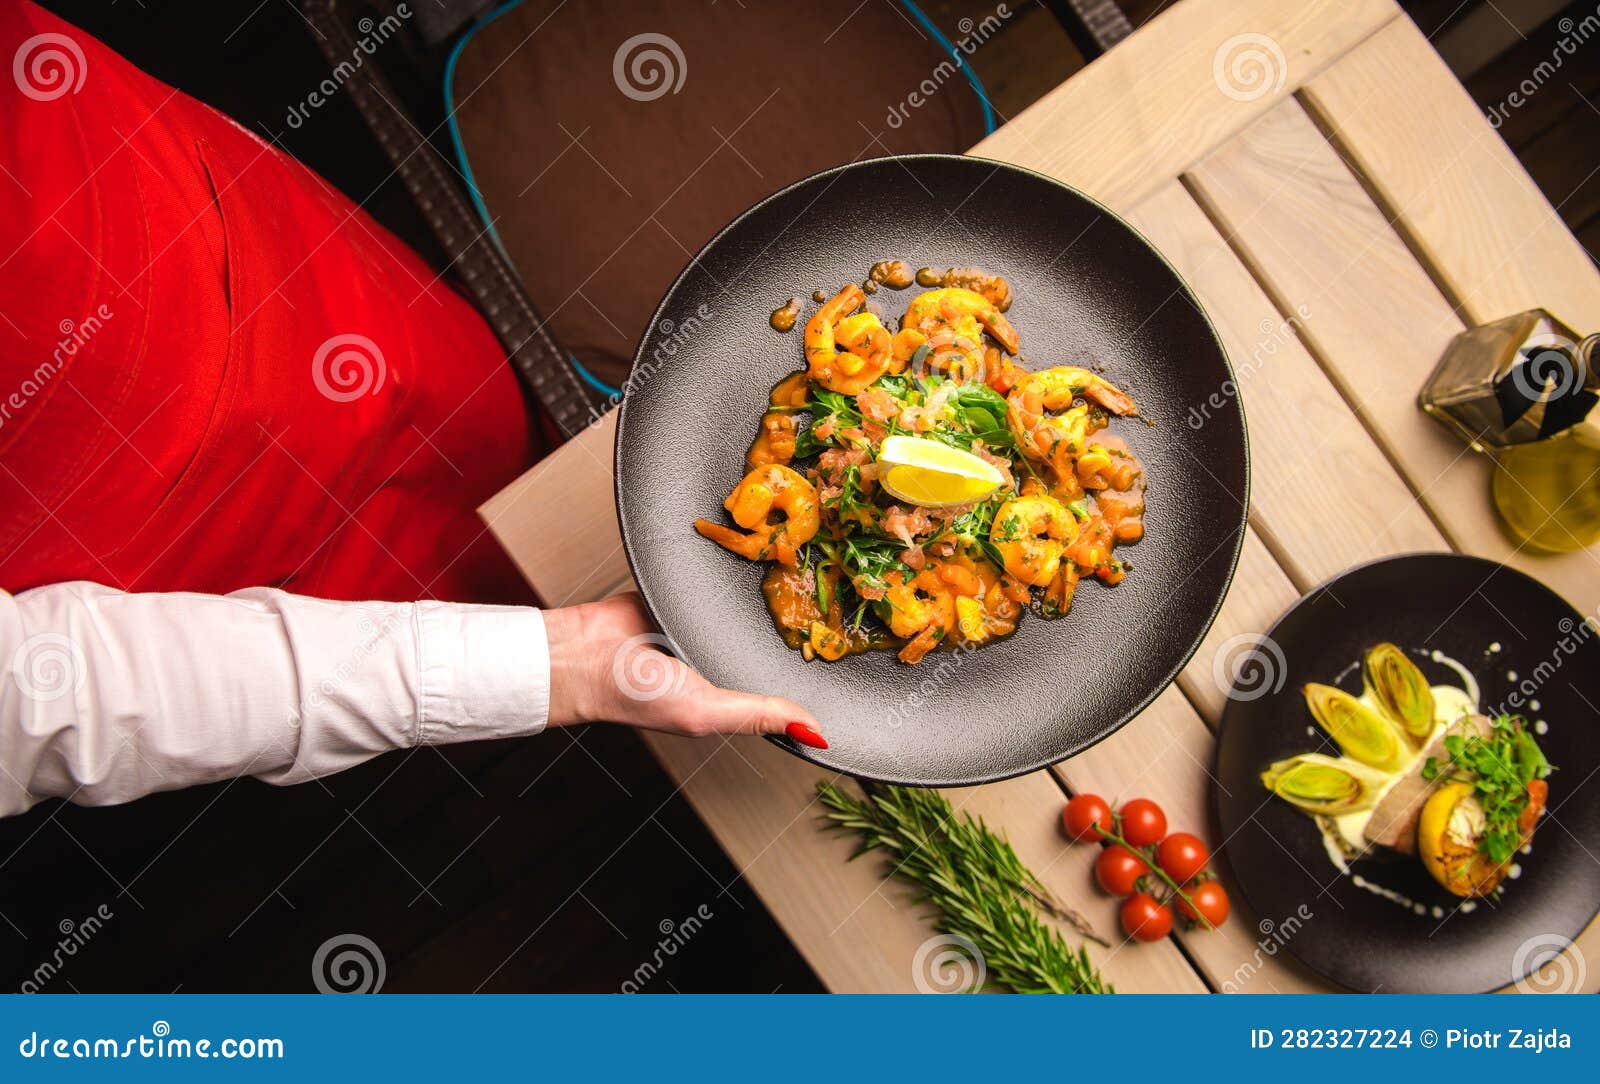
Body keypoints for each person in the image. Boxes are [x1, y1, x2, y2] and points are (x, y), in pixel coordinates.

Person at [0, 1, 821, 819]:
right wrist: (560, 665)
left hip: (133, 183)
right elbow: (46, 699)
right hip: (132, 524)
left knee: (474, 415)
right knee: (451, 604)